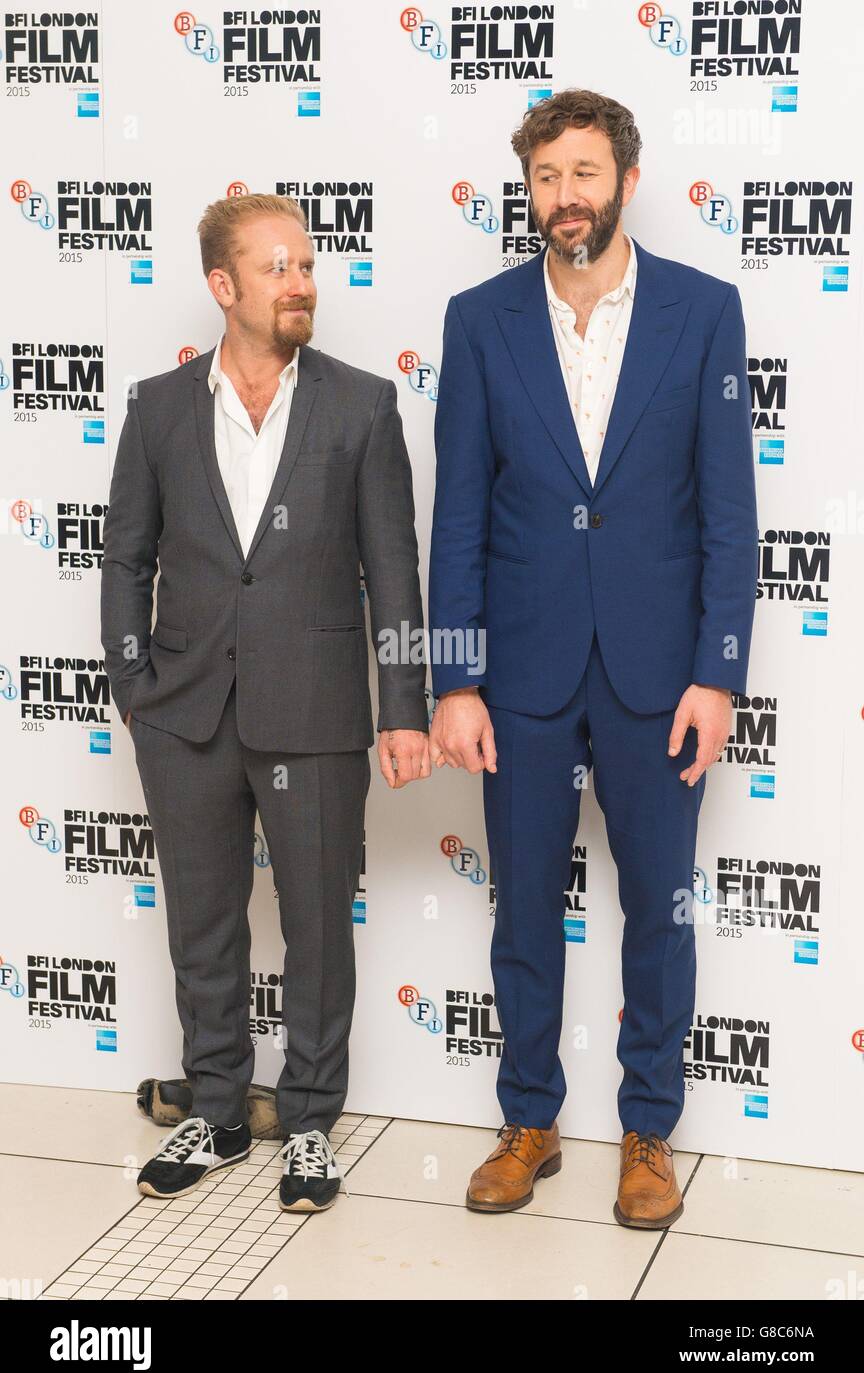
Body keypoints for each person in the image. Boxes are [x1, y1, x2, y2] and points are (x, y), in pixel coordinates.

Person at [428, 89, 758, 1227]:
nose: (563, 196)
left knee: (660, 912)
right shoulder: (479, 320)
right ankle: (530, 1121)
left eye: (581, 173)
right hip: (516, 679)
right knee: (523, 910)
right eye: (543, 178)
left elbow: (730, 511)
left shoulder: (704, 312)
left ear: (625, 176)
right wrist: (453, 678)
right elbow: (456, 516)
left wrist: (718, 672)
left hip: (660, 678)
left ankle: (648, 1130)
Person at [101, 193, 430, 1213]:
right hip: (184, 712)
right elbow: (126, 555)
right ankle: (214, 1105)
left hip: (319, 711)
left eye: (308, 264)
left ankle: (311, 1120)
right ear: (223, 287)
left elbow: (395, 567)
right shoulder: (159, 407)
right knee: (202, 920)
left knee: (319, 923)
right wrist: (133, 683)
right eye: (278, 267)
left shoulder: (363, 404)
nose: (301, 282)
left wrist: (404, 705)